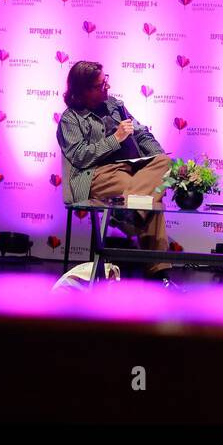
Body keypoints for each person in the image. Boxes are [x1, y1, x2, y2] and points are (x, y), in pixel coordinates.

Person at [56, 61, 174, 281]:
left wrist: (158, 155)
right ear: (83, 90)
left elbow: (142, 135)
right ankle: (160, 276)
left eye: (106, 81)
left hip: (132, 169)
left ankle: (130, 212)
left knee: (164, 162)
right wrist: (115, 139)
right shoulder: (70, 119)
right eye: (100, 85)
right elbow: (80, 157)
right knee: (147, 200)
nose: (106, 87)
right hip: (97, 174)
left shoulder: (115, 106)